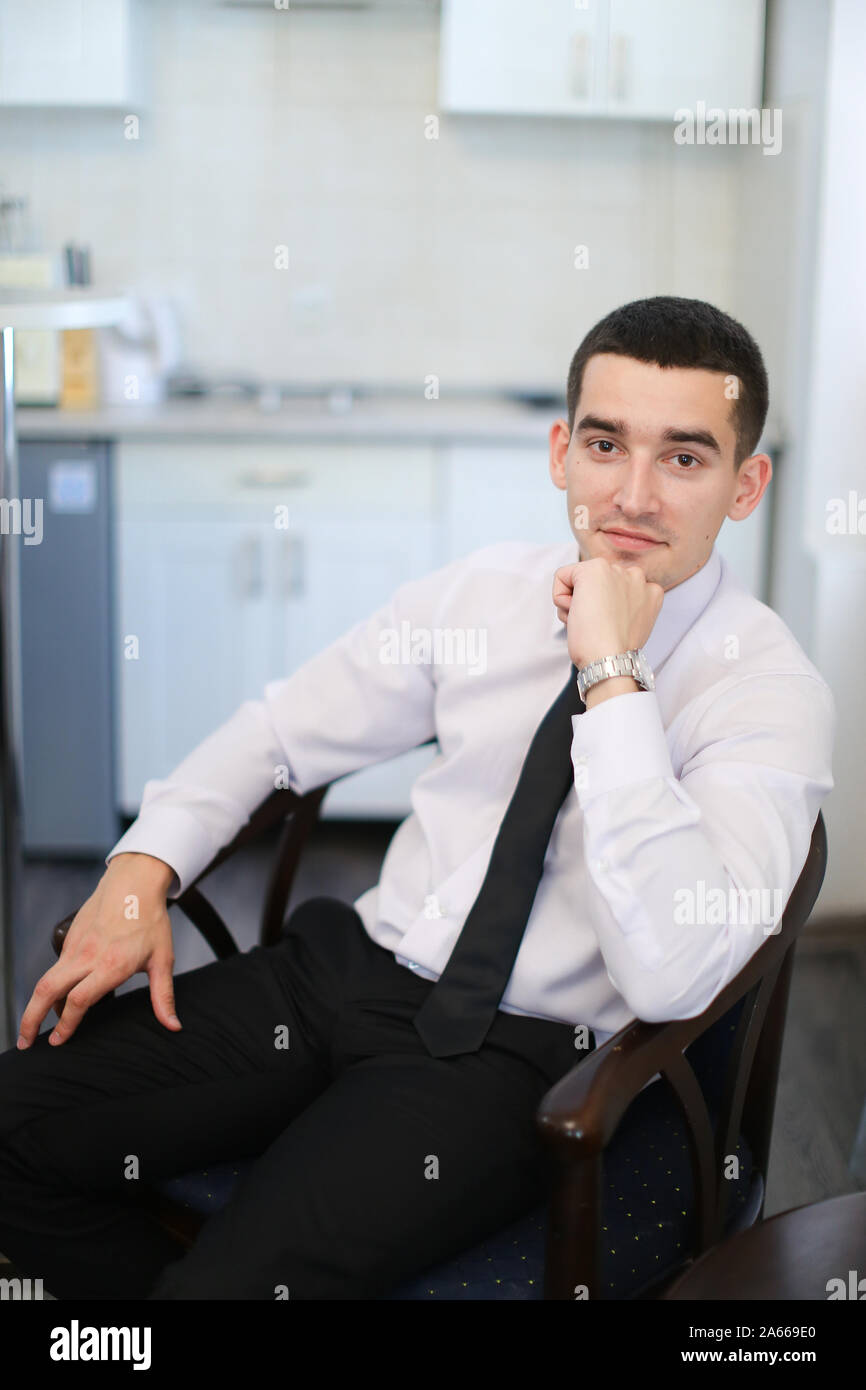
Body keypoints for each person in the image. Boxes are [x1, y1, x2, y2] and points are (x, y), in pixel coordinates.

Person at [0, 296, 835, 1300]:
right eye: (606, 444)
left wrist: (612, 671)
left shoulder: (766, 690)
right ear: (560, 452)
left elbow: (667, 977)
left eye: (684, 459)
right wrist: (140, 870)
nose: (634, 494)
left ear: (745, 485)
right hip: (341, 975)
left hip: (514, 1049)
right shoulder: (478, 594)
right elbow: (278, 732)